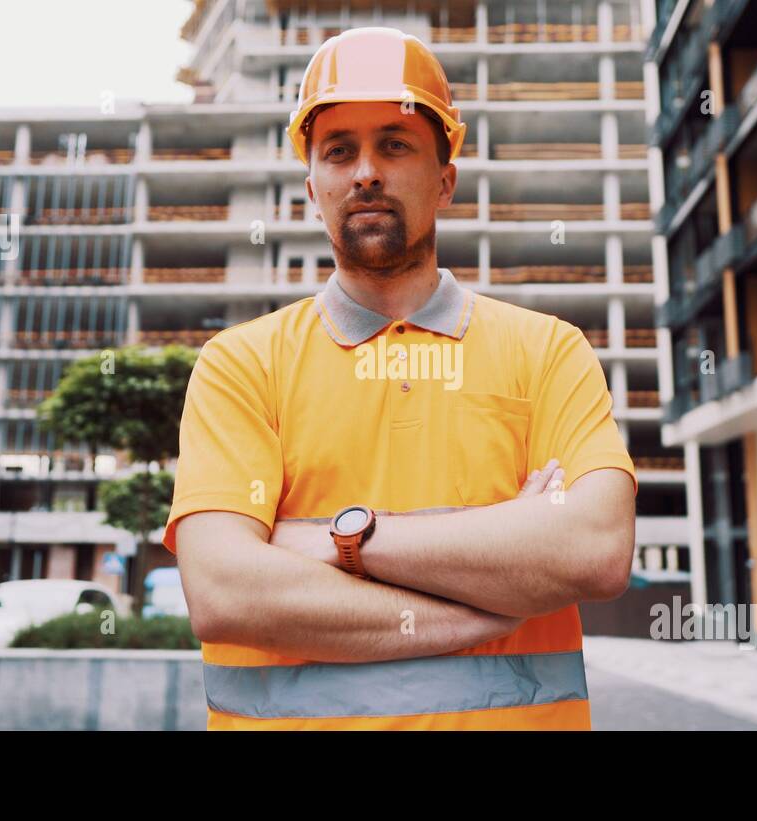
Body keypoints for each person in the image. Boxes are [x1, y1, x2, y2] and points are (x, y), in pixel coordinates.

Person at [162, 26, 637, 730]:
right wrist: (489, 604)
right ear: (313, 187)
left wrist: (336, 539)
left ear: (444, 179)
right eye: (340, 151)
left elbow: (594, 550)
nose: (365, 173)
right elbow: (226, 592)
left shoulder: (547, 353)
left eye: (395, 143)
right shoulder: (241, 365)